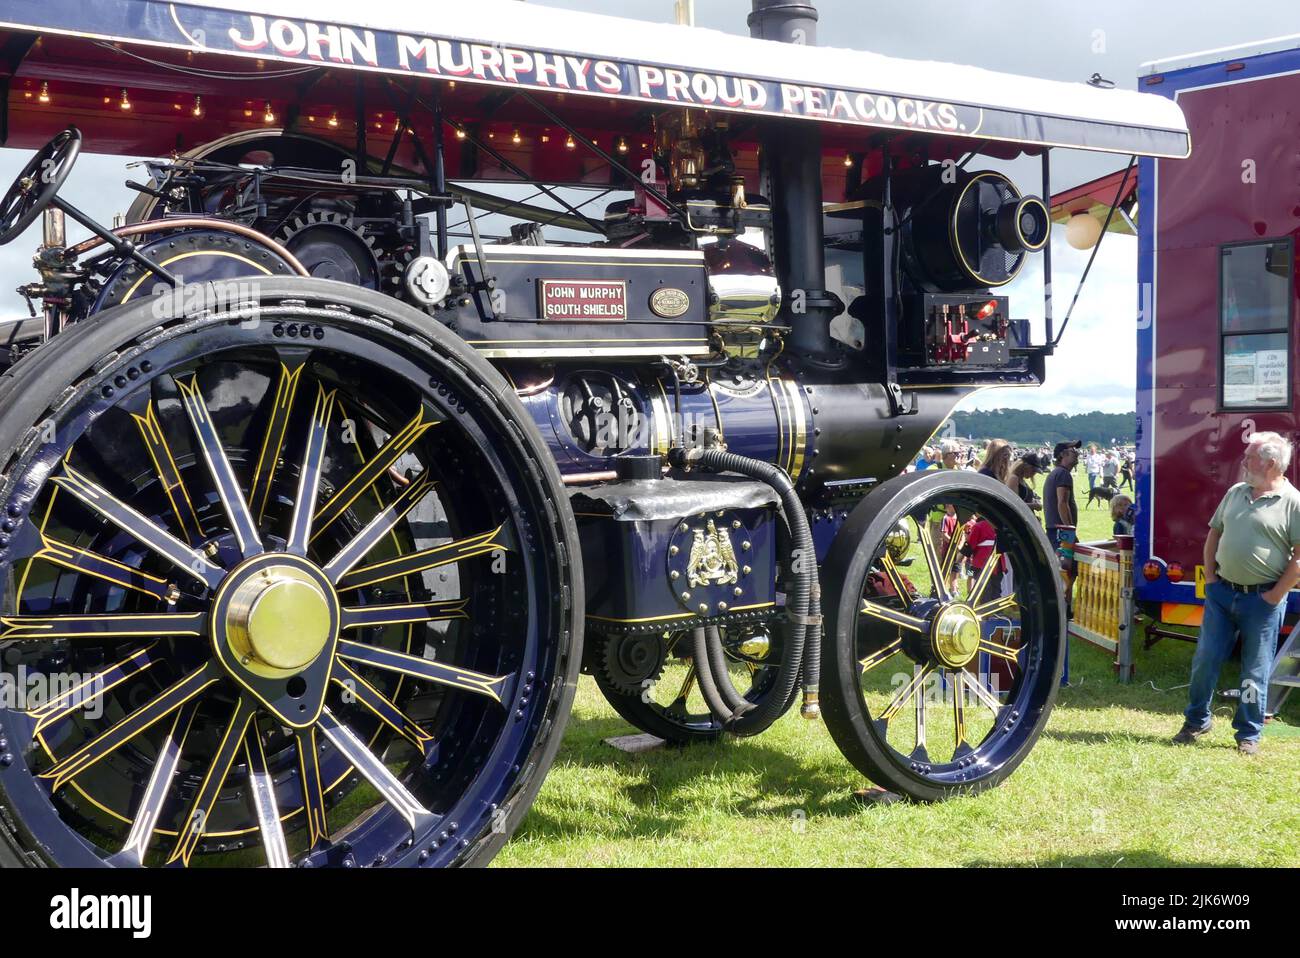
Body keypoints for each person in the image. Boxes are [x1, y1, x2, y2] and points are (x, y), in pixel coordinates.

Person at [1174, 431, 1300, 755]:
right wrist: (1212, 580)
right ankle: (1196, 720)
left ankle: (1248, 734)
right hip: (1221, 593)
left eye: (1250, 457)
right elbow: (1214, 534)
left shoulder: (1293, 502)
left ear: (1271, 463)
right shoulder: (1235, 492)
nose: (1243, 462)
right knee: (1205, 660)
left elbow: (1299, 558)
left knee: (1254, 672)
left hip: (1262, 602)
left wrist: (1273, 597)